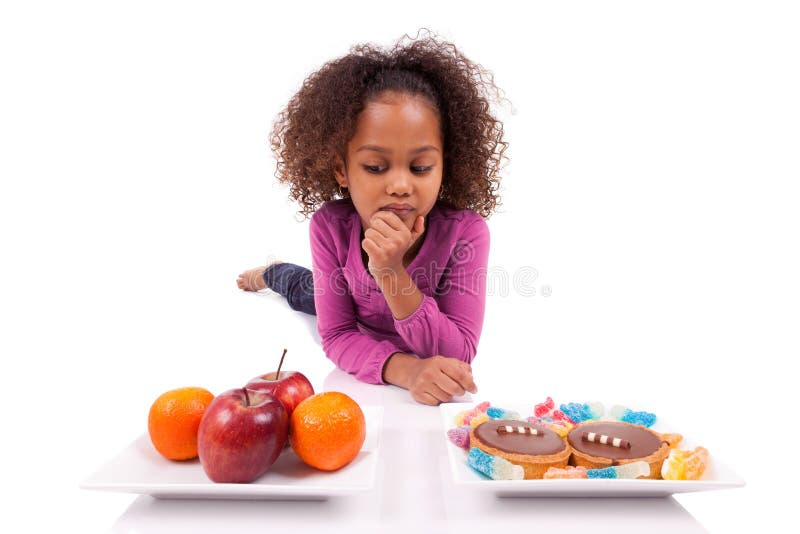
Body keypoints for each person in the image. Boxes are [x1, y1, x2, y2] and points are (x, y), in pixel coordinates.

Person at [237, 30, 508, 405]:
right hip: (343, 300)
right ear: (342, 170)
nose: (399, 185)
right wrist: (408, 370)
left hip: (387, 311)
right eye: (376, 166)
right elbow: (338, 334)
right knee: (301, 288)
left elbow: (458, 353)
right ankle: (269, 271)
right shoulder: (331, 227)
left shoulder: (466, 233)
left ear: (447, 166)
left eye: (420, 167)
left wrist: (392, 274)